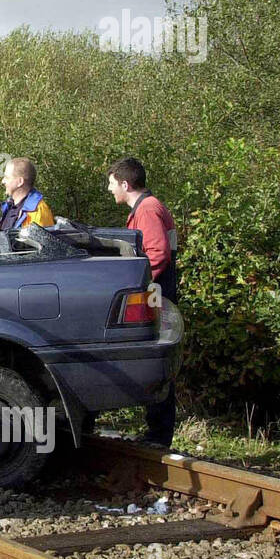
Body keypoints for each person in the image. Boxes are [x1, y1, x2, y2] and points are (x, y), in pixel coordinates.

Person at [107, 157, 179, 445]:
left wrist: (137, 282)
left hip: (158, 294)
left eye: (112, 183)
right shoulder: (148, 207)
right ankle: (156, 431)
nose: (109, 189)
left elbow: (158, 254)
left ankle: (159, 434)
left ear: (125, 184)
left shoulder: (147, 210)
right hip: (159, 292)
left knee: (156, 363)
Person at [0, 157, 53, 230]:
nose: (3, 181)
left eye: (7, 177)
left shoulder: (37, 211)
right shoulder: (8, 206)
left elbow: (42, 240)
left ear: (20, 182)